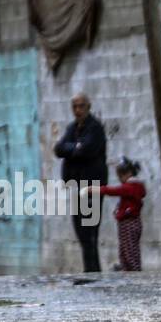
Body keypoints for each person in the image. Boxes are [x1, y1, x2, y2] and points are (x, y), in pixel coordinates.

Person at [53, 92, 108, 273]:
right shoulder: (72, 128)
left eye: (81, 106)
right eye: (75, 106)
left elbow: (87, 150)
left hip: (91, 188)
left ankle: (93, 272)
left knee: (90, 232)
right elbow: (59, 149)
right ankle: (90, 271)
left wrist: (75, 149)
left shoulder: (95, 128)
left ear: (88, 107)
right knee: (81, 233)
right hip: (75, 188)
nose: (78, 110)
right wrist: (74, 147)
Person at [101, 157, 147, 272]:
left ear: (127, 174)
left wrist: (96, 189)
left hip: (128, 222)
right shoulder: (135, 187)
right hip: (132, 222)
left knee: (129, 249)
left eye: (120, 176)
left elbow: (113, 191)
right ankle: (127, 268)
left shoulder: (130, 187)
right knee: (128, 248)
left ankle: (133, 270)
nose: (120, 180)